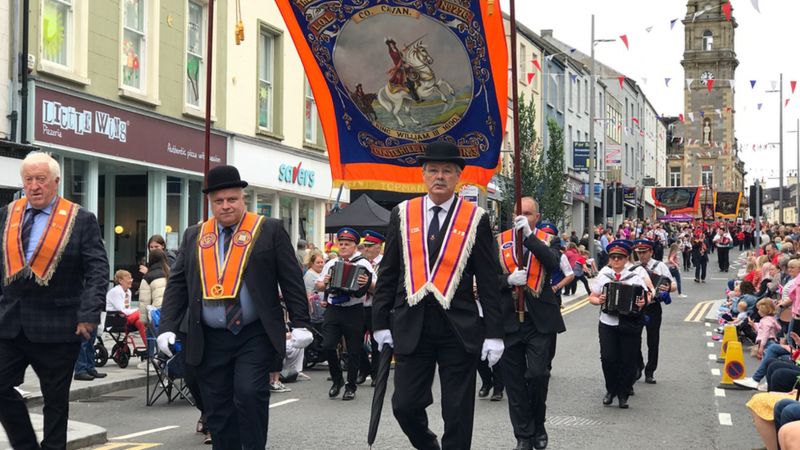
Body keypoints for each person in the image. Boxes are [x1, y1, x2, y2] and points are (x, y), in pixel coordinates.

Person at [157, 165, 313, 450]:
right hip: (209, 336)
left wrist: (301, 322)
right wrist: (166, 327)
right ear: (210, 203)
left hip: (253, 333)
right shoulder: (195, 235)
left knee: (249, 392)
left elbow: (291, 279)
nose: (226, 206)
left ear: (243, 199)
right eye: (219, 201)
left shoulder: (269, 230)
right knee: (217, 407)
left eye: (232, 199)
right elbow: (178, 284)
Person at [372, 142, 504, 450]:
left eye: (447, 171)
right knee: (404, 405)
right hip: (411, 325)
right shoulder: (402, 214)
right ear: (423, 175)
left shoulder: (476, 218)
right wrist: (379, 322)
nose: (439, 177)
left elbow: (487, 279)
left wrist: (494, 334)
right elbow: (389, 272)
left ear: (459, 176)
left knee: (457, 413)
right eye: (433, 170)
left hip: (458, 328)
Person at [0, 152, 109, 449]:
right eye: (28, 180)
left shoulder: (80, 219)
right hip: (11, 323)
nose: (34, 186)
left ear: (56, 182)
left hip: (59, 327)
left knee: (55, 404)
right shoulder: (9, 213)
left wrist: (89, 313)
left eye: (41, 179)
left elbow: (98, 270)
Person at [497, 197, 565, 450]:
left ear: (537, 216)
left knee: (538, 375)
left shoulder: (549, 239)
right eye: (519, 212)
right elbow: (485, 278)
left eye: (528, 213)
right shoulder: (498, 242)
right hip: (509, 319)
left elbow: (552, 262)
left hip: (539, 321)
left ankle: (539, 424)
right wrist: (507, 280)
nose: (523, 216)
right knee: (513, 383)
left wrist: (529, 237)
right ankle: (523, 435)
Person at [314, 227, 374, 400]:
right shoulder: (331, 263)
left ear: (355, 246)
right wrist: (324, 283)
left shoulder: (363, 264)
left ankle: (351, 386)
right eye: (341, 244)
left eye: (347, 244)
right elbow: (318, 286)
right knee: (328, 345)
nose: (343, 247)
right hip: (334, 309)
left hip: (354, 310)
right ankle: (337, 380)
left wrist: (367, 282)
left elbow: (376, 287)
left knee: (354, 349)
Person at [587, 240, 647, 409]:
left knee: (627, 359)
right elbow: (592, 297)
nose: (616, 260)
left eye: (619, 257)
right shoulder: (604, 275)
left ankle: (623, 393)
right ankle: (610, 390)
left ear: (626, 258)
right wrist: (598, 300)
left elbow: (645, 297)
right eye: (613, 257)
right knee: (608, 358)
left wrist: (642, 302)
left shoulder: (635, 276)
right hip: (607, 322)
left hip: (628, 324)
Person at [630, 239, 677, 385]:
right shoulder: (634, 267)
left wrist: (667, 288)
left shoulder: (660, 266)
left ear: (651, 252)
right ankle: (638, 365)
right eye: (639, 253)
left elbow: (673, 284)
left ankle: (650, 371)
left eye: (644, 252)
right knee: (633, 338)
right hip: (637, 307)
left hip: (653, 307)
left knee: (653, 340)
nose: (642, 256)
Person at [358, 229, 385, 386]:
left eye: (370, 246)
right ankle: (364, 369)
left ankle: (376, 373)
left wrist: (368, 285)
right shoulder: (360, 263)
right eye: (365, 246)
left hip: (377, 306)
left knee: (377, 342)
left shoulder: (386, 263)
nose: (366, 249)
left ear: (379, 246)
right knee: (354, 340)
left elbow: (384, 287)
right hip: (360, 306)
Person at [106, 269, 148, 349]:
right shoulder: (116, 291)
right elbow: (122, 310)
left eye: (131, 278)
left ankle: (149, 349)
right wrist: (137, 310)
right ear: (121, 280)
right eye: (128, 278)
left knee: (141, 322)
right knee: (141, 313)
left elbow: (127, 309)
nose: (131, 280)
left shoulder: (128, 292)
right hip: (114, 319)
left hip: (124, 318)